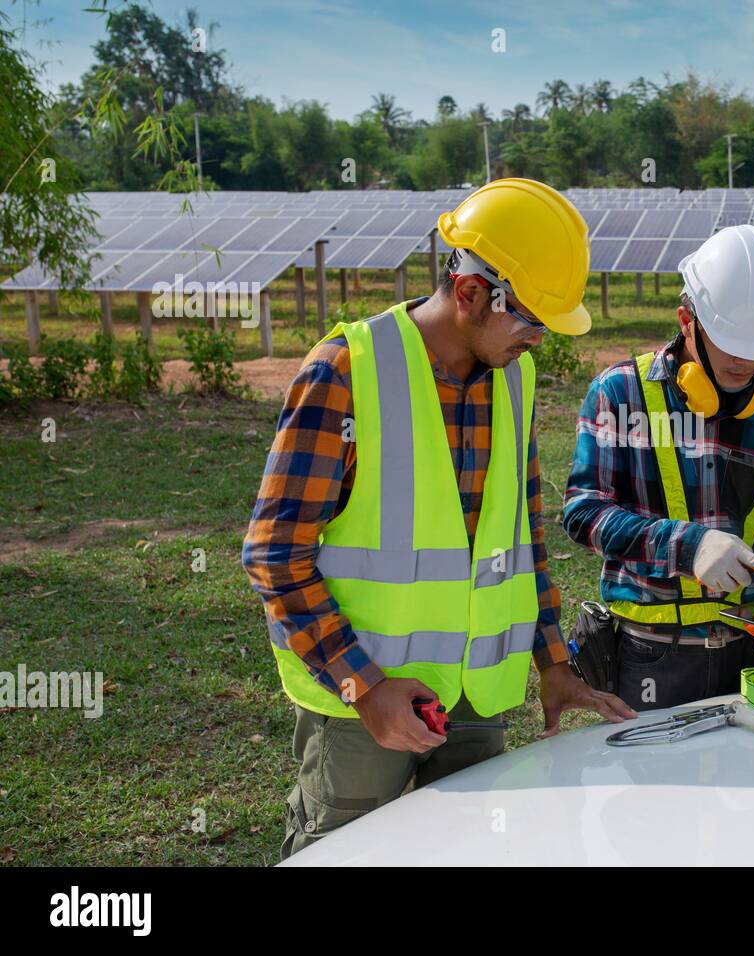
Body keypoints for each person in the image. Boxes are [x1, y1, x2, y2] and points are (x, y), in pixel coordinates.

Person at [243, 178, 635, 859]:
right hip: (361, 714)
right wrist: (365, 686)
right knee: (342, 857)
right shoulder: (344, 370)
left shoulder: (514, 375)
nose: (538, 340)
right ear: (472, 293)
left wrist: (552, 661)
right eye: (531, 319)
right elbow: (275, 554)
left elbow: (521, 537)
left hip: (478, 700)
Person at [563, 224, 754, 711]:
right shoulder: (620, 394)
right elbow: (584, 512)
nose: (744, 359)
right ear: (686, 320)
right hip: (648, 653)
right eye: (731, 341)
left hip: (753, 654)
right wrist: (688, 546)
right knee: (653, 790)